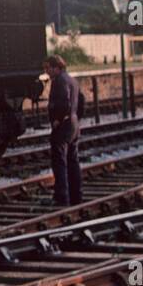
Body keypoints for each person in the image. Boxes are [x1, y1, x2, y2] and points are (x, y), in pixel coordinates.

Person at [44, 55, 83, 206]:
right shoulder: (73, 80)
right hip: (73, 124)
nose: (46, 71)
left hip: (63, 126)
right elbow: (82, 101)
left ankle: (62, 197)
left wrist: (58, 119)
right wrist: (76, 118)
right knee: (73, 161)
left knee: (59, 162)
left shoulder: (59, 81)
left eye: (48, 68)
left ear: (57, 68)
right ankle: (76, 197)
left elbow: (65, 102)